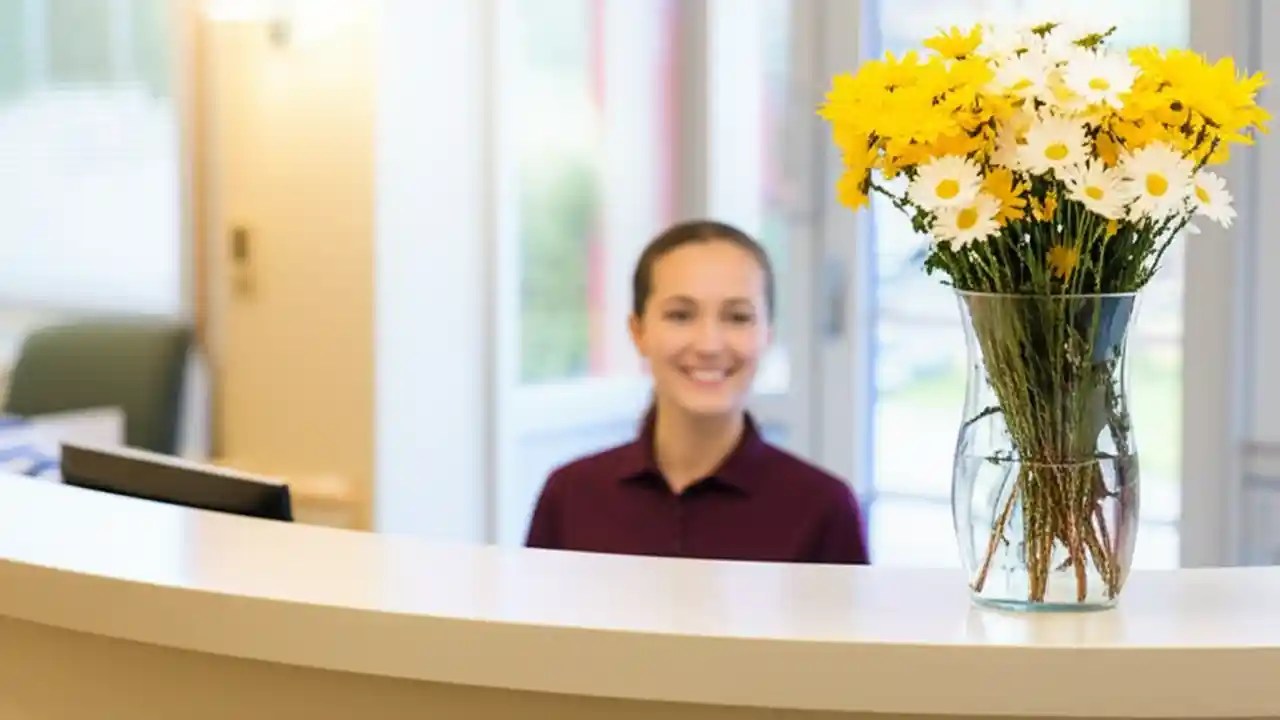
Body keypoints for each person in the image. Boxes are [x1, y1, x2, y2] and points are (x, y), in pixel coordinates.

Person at [524, 220, 869, 564]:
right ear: (638, 332)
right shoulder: (570, 497)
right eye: (680, 315)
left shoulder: (824, 509)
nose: (709, 344)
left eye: (737, 317)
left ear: (767, 335)